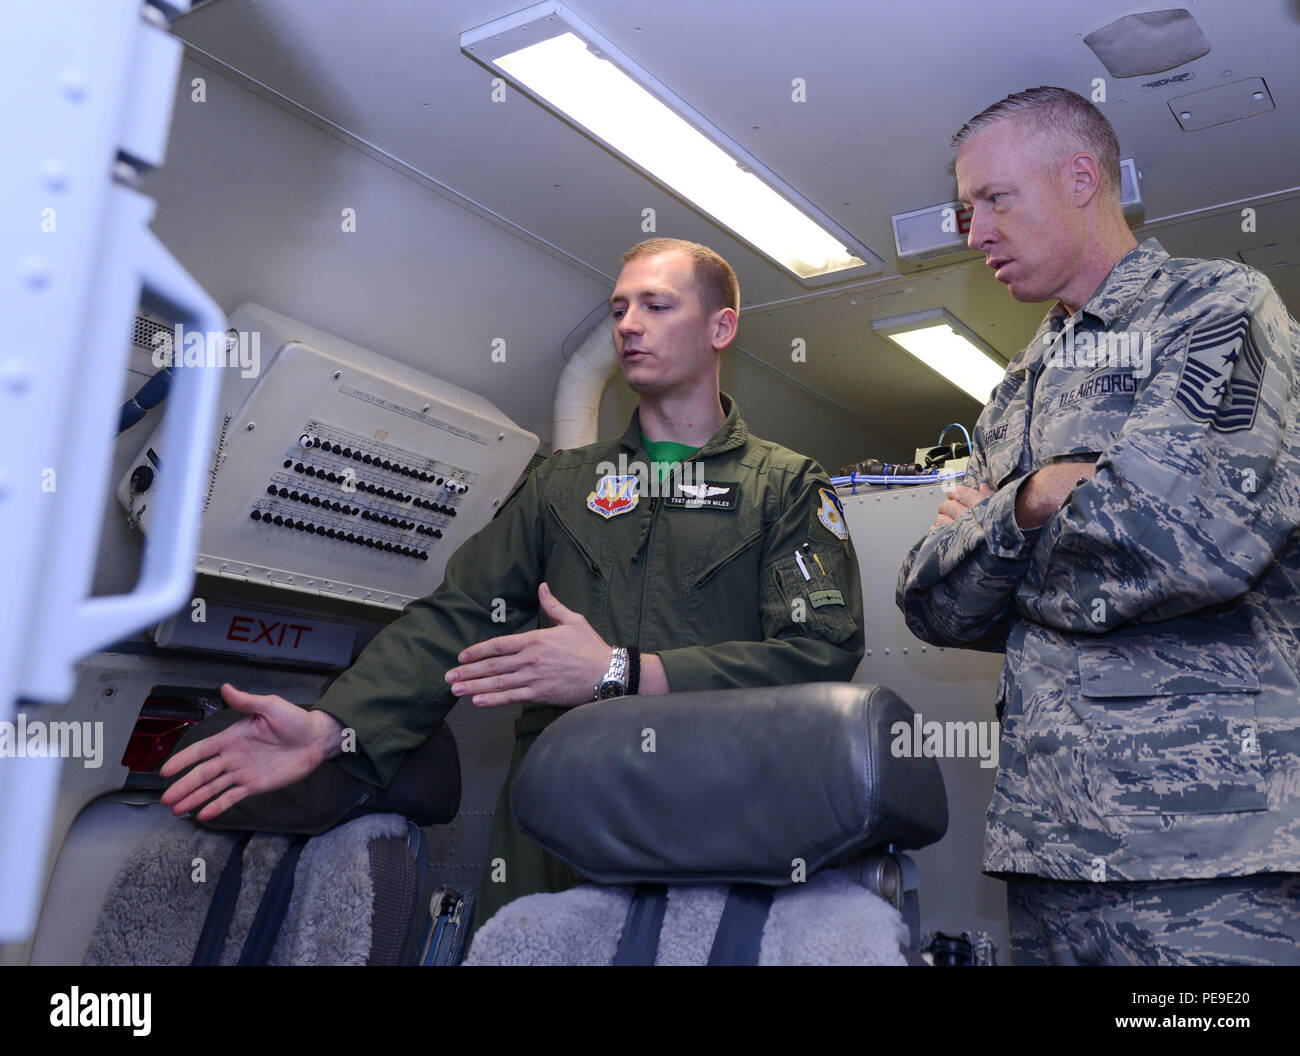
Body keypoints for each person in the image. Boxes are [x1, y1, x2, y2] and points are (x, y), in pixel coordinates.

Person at [162, 236, 865, 936]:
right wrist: (335, 727)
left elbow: (819, 653)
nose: (627, 324)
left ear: (721, 328)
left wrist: (622, 673)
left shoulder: (784, 487)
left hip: (717, 812)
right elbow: (458, 615)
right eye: (619, 307)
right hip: (557, 815)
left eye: (656, 304)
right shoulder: (563, 486)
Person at [896, 86, 1300, 966]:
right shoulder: (1016, 388)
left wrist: (995, 547)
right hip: (1049, 850)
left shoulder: (1216, 307)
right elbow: (933, 607)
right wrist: (1033, 501)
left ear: (1082, 177)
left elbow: (1189, 543)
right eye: (966, 212)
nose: (973, 234)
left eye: (993, 200)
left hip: (1207, 851)